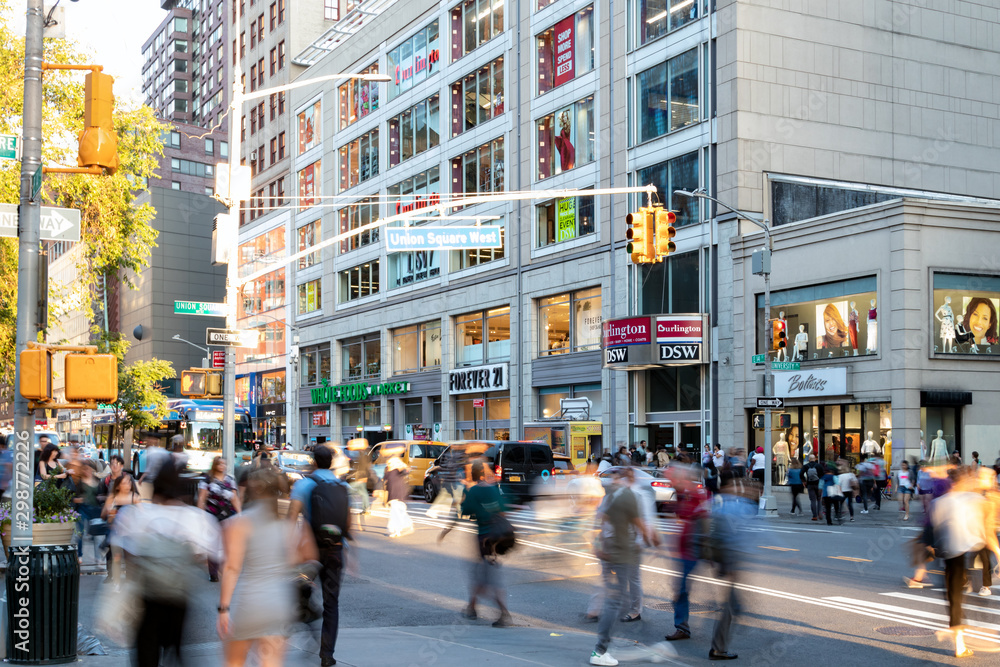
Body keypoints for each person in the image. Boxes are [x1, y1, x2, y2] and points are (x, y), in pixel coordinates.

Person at [112, 460, 222, 667]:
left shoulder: (137, 515)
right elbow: (204, 554)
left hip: (147, 598)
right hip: (178, 598)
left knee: (146, 653)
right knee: (177, 654)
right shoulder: (195, 518)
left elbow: (127, 553)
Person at [217, 468, 317, 667]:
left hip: (250, 604)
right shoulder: (289, 522)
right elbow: (305, 557)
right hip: (280, 605)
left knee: (234, 663)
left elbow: (231, 568)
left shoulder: (239, 523)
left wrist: (223, 609)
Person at [286, 445, 352, 667]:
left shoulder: (304, 484)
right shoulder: (343, 486)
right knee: (331, 603)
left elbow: (291, 517)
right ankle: (327, 655)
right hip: (335, 551)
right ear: (331, 462)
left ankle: (307, 612)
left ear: (313, 461)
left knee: (297, 590)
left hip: (309, 553)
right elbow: (348, 525)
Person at [589, 466, 658, 666]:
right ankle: (600, 650)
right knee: (615, 602)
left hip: (611, 551)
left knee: (615, 599)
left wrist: (600, 544)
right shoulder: (627, 496)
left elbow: (601, 521)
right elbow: (641, 525)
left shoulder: (611, 496)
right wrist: (654, 542)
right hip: (622, 554)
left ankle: (604, 647)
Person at [931, 466, 1000, 658]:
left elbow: (937, 531)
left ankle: (959, 641)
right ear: (965, 481)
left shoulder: (939, 502)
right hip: (973, 549)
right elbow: (988, 532)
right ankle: (965, 636)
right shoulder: (977, 500)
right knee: (970, 595)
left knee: (955, 598)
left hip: (951, 553)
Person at [708, 470, 757, 660]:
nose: (739, 488)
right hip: (729, 560)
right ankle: (718, 649)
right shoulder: (728, 505)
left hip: (726, 560)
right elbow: (724, 535)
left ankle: (719, 646)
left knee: (731, 604)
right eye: (736, 484)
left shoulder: (719, 503)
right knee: (730, 605)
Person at [460, 461, 512, 628]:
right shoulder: (492, 489)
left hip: (484, 539)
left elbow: (465, 510)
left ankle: (504, 614)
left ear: (473, 475)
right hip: (496, 537)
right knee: (481, 572)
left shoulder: (473, 491)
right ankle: (471, 607)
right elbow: (502, 509)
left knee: (486, 576)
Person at [664, 465, 709, 642]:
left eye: (673, 481)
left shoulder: (694, 495)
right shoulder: (683, 495)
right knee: (680, 590)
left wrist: (703, 548)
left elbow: (703, 521)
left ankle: (682, 627)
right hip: (684, 551)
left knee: (680, 591)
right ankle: (682, 625)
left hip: (691, 551)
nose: (671, 484)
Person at [198, 456, 242, 582]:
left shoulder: (230, 480)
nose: (222, 466)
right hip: (211, 515)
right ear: (215, 465)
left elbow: (234, 498)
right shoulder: (207, 479)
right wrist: (200, 514)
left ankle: (226, 569)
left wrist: (239, 513)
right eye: (220, 464)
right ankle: (213, 573)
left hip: (227, 515)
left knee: (227, 543)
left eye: (224, 464)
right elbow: (202, 498)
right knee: (213, 544)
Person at [385, 455, 414, 538]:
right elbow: (387, 485)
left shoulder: (398, 470)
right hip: (392, 495)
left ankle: (396, 530)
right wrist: (386, 499)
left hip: (398, 495)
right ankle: (403, 526)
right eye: (388, 463)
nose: (388, 464)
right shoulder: (388, 472)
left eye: (390, 463)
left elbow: (406, 471)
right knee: (398, 513)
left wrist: (405, 467)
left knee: (395, 513)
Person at [801, 455, 824, 521]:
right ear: (815, 459)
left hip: (810, 485)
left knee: (813, 500)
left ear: (809, 459)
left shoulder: (806, 466)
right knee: (819, 499)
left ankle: (814, 516)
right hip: (818, 485)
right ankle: (819, 513)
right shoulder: (819, 466)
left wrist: (804, 481)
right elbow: (822, 475)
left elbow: (801, 474)